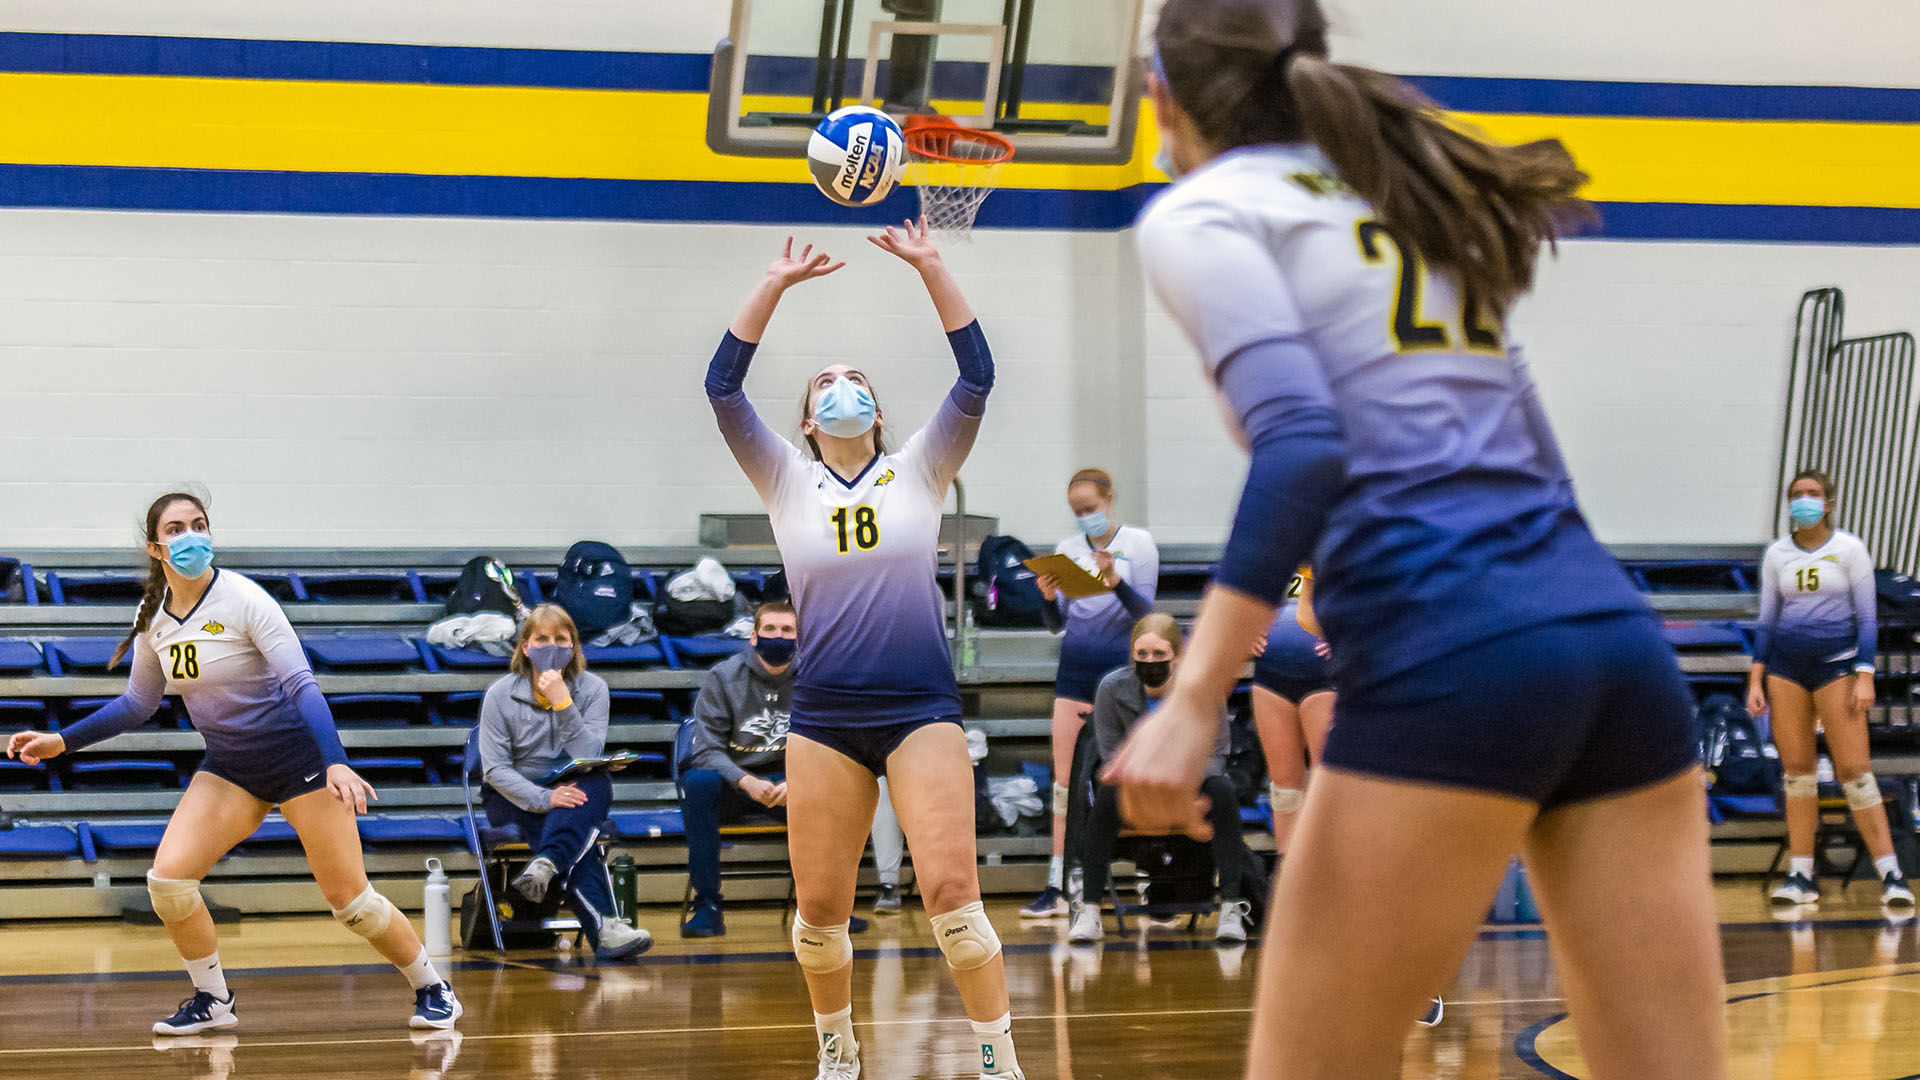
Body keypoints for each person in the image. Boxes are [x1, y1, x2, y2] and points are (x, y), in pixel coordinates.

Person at [1103, 3, 1728, 1077]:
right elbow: (1538, 454)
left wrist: (1196, 692)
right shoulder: (1387, 199)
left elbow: (1303, 444)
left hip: (1455, 651)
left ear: (1162, 89)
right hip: (1614, 647)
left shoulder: (1202, 212)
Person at [706, 221, 1024, 1080]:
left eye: (857, 382)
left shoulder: (920, 467)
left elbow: (978, 376)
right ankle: (838, 1051)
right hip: (826, 717)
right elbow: (722, 387)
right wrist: (772, 285)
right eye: (827, 385)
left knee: (953, 899)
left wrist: (932, 265)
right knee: (819, 910)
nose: (843, 390)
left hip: (920, 708)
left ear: (878, 412)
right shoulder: (783, 477)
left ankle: (997, 1060)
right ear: (808, 420)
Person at [5, 492, 460, 1035]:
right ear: (156, 547)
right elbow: (137, 703)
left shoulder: (247, 600)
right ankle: (212, 998)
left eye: (199, 524)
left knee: (352, 905)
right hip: (232, 768)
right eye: (176, 528)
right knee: (169, 883)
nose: (191, 535)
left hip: (301, 762)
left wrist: (337, 762)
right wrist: (62, 741)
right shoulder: (152, 616)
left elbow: (302, 685)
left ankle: (434, 988)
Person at [1751, 470, 1912, 909]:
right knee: (1797, 774)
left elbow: (1868, 619)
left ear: (1829, 502)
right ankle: (1801, 876)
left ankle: (1892, 877)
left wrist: (1864, 674)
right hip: (1785, 670)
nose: (1804, 500)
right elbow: (1766, 621)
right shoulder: (1777, 555)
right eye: (1797, 494)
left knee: (1856, 773)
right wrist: (1755, 678)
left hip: (1836, 668)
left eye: (1813, 494)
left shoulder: (1849, 549)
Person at [679, 600, 886, 935]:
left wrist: (801, 782)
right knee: (698, 784)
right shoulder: (723, 676)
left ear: (799, 638)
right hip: (735, 783)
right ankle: (708, 907)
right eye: (770, 630)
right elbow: (706, 750)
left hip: (791, 784)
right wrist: (746, 781)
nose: (778, 636)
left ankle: (827, 906)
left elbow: (832, 743)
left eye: (787, 630)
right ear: (754, 637)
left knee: (839, 786)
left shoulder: (817, 678)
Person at [477, 603, 653, 962]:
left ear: (573, 647)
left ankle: (547, 864)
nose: (551, 645)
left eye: (561, 638)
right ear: (525, 646)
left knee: (597, 782)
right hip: (512, 794)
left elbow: (589, 752)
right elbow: (494, 770)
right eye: (541, 638)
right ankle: (606, 928)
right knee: (572, 827)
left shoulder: (593, 689)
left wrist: (563, 703)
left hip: (574, 786)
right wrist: (545, 798)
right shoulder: (499, 695)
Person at [1023, 468, 1159, 919]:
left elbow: (1147, 617)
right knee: (1066, 784)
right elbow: (1057, 623)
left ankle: (1150, 880)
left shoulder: (1138, 544)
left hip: (1123, 677)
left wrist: (1114, 582)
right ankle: (1058, 883)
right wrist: (1046, 597)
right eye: (1077, 512)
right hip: (1076, 675)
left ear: (1109, 499)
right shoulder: (1068, 550)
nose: (1085, 519)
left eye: (1091, 509)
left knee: (1133, 777)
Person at [1068, 614, 1252, 944]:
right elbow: (1110, 756)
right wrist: (1149, 785)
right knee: (1105, 796)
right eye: (1142, 656)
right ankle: (1091, 910)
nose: (1150, 662)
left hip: (1191, 785)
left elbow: (1218, 753)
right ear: (1132, 657)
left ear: (1177, 657)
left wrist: (1181, 791)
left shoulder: (1203, 690)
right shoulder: (1111, 688)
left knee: (1222, 791)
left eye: (1159, 656)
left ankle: (1230, 909)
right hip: (1134, 788)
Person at [1249, 565, 1330, 855]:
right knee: (1284, 791)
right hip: (1271, 675)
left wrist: (1349, 640)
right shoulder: (1273, 552)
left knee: (1330, 783)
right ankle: (1286, 881)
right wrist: (1246, 630)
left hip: (1326, 676)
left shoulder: (1343, 542)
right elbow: (1240, 600)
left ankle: (1333, 879)